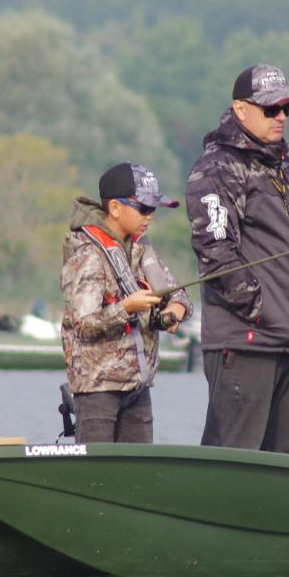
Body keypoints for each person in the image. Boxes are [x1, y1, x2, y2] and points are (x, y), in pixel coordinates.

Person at [185, 64, 289, 455]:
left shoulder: (287, 168)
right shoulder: (217, 169)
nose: (280, 116)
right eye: (270, 108)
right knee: (233, 461)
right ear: (240, 109)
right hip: (247, 343)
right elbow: (216, 255)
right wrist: (261, 310)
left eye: (287, 109)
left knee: (287, 463)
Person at [60, 162, 193, 444]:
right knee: (97, 473)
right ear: (116, 208)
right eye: (143, 208)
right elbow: (83, 324)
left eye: (154, 208)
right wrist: (127, 308)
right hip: (98, 390)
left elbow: (180, 295)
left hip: (137, 388)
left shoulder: (143, 250)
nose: (150, 216)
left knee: (137, 473)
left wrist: (173, 312)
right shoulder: (87, 254)